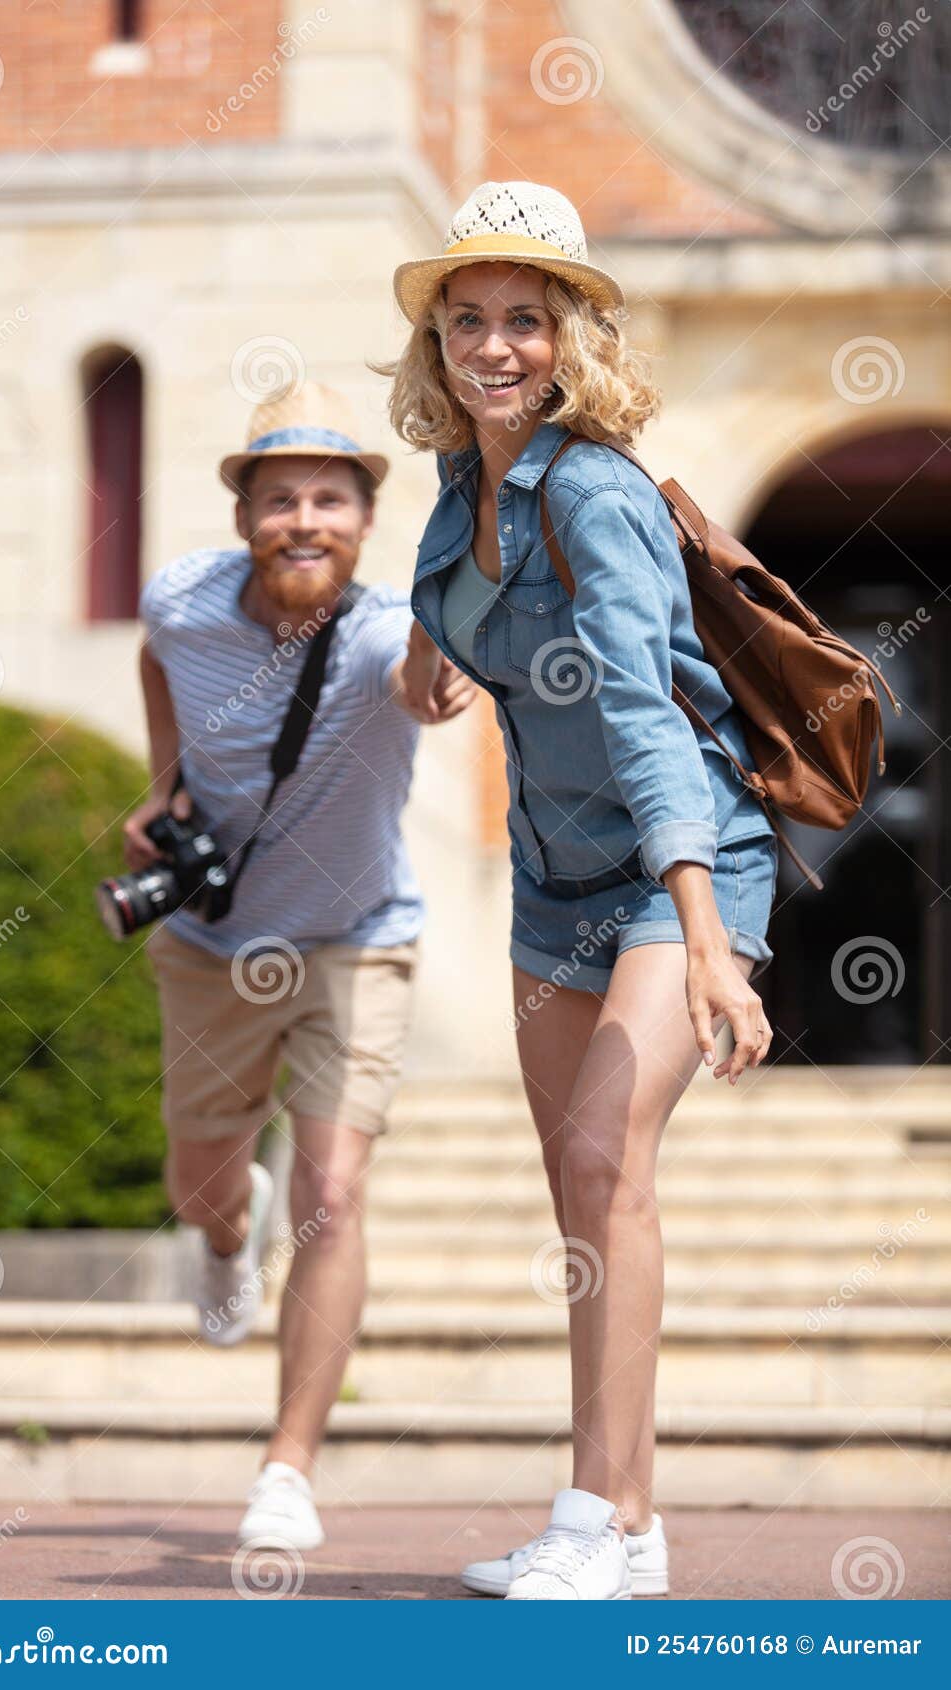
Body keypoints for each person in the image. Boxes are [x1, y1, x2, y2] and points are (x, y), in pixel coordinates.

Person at [382, 180, 778, 1600]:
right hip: (552, 883)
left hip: (682, 865)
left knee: (607, 1156)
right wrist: (433, 660)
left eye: (525, 321)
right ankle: (630, 1516)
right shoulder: (456, 491)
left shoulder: (596, 491)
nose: (494, 348)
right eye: (468, 321)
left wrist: (709, 943)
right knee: (581, 1190)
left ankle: (594, 1520)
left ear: (571, 335)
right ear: (436, 346)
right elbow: (454, 632)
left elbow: (639, 717)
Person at [125, 383, 475, 1553]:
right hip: (214, 941)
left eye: (330, 497)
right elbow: (151, 657)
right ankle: (228, 1238)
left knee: (331, 1191)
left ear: (365, 520)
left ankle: (287, 1467)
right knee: (200, 1185)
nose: (304, 519)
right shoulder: (179, 599)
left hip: (355, 938)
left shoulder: (383, 628)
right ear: (244, 518)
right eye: (280, 499)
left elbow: (425, 691)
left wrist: (443, 648)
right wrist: (164, 783)